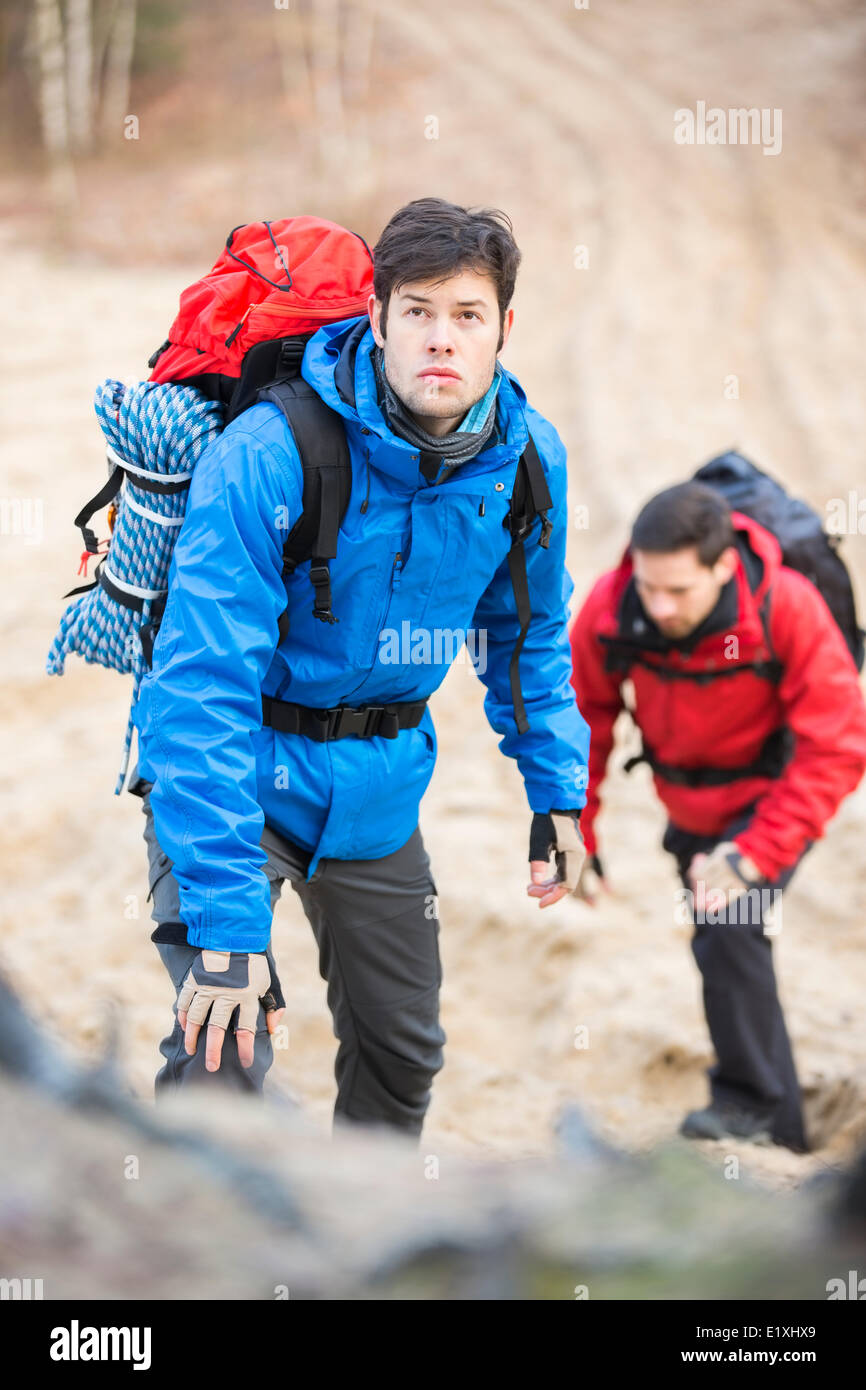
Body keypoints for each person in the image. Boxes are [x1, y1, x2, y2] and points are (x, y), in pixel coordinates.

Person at [127, 197, 590, 1139]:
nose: (440, 340)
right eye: (415, 311)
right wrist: (223, 923)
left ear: (506, 327)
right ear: (374, 318)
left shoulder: (527, 460)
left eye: (467, 316)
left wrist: (557, 795)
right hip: (234, 774)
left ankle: (363, 1252)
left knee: (402, 1050)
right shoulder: (269, 452)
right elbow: (201, 683)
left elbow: (527, 638)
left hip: (378, 787)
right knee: (227, 1046)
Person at [569, 481, 866, 1152]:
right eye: (648, 586)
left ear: (724, 565)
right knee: (726, 941)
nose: (659, 605)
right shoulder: (613, 608)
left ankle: (749, 1106)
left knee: (727, 925)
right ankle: (786, 1129)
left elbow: (838, 747)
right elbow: (584, 720)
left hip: (771, 799)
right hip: (689, 806)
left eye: (679, 590)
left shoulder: (786, 608)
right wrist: (576, 832)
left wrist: (754, 852)